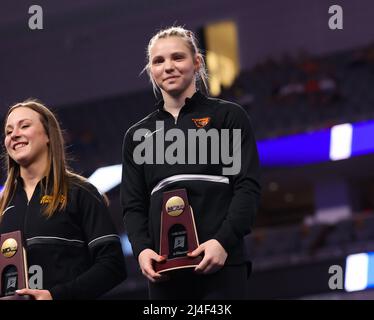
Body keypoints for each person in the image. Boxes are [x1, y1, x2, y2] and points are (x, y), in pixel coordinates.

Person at [121, 26, 261, 299]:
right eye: (159, 61)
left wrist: (223, 242)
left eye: (178, 57)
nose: (168, 67)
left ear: (197, 62)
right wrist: (142, 250)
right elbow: (133, 206)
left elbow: (248, 187)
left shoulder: (227, 117)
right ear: (151, 70)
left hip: (222, 263)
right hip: (165, 273)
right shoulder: (137, 136)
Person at [0, 99, 126, 300]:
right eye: (8, 131)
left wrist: (56, 295)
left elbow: (112, 266)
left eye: (24, 126)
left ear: (48, 135)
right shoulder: (3, 205)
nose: (14, 134)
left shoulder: (81, 192)